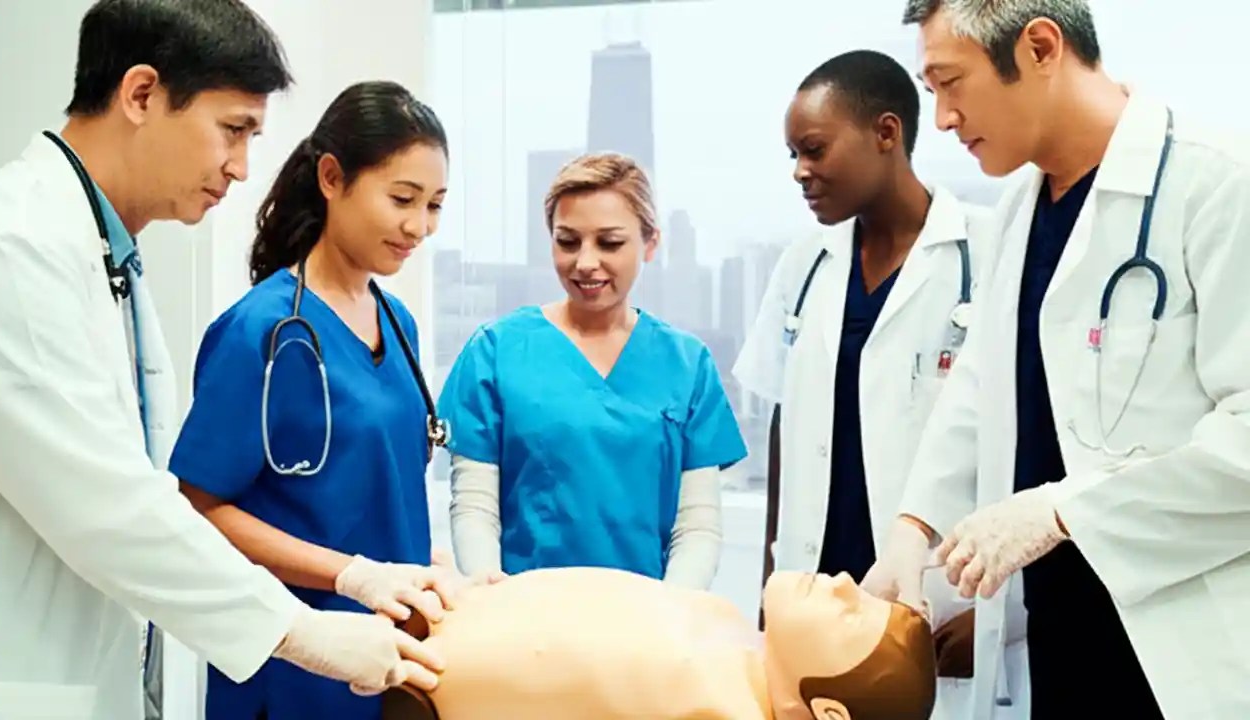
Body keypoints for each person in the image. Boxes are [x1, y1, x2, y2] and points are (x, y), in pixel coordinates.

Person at [0, 2, 435, 719]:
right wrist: (304, 629)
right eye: (232, 130)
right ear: (141, 94)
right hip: (20, 680)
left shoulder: (106, 260)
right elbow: (112, 508)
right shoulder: (6, 244)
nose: (242, 168)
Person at [862, 1, 1250, 718]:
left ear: (1040, 47)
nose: (942, 119)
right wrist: (910, 532)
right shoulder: (1019, 208)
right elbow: (983, 385)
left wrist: (1062, 511)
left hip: (1185, 653)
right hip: (1058, 640)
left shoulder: (1219, 184)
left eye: (951, 83)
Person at [166, 80, 471, 720]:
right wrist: (350, 575)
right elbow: (197, 509)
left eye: (435, 205)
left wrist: (430, 564)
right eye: (402, 199)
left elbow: (366, 495)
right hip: (294, 669)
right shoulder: (263, 332)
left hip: (390, 667)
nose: (419, 226)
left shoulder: (399, 325)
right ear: (332, 178)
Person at [732, 50, 996, 718]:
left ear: (886, 132)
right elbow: (784, 427)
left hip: (939, 598)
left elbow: (1025, 442)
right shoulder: (803, 265)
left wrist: (1000, 613)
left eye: (814, 149)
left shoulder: (989, 252)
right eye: (793, 154)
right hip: (816, 608)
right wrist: (771, 589)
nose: (800, 171)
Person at [437, 152, 747, 589]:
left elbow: (697, 526)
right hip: (524, 610)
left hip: (646, 614)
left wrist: (671, 610)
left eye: (610, 243)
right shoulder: (496, 350)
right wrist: (491, 598)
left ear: (650, 243)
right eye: (567, 242)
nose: (585, 262)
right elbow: (474, 506)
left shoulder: (687, 363)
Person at [378, 566, 937, 720]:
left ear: (829, 713)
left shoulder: (724, 707)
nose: (845, 582)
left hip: (426, 686)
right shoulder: (736, 636)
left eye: (851, 616)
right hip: (442, 622)